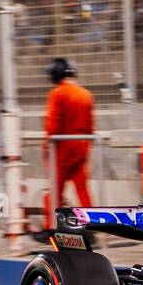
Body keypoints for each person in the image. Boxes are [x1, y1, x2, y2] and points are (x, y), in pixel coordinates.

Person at [42, 58, 95, 229]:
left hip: (62, 150)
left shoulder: (57, 94)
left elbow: (53, 126)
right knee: (82, 190)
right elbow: (89, 127)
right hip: (81, 148)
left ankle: (51, 227)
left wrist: (45, 147)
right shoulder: (86, 94)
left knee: (55, 191)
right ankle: (92, 226)